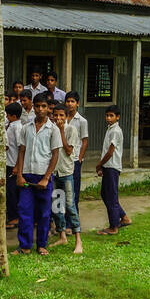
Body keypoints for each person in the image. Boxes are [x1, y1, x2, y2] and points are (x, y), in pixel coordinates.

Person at [14, 93, 61, 255]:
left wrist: (47, 178)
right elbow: (21, 151)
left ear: (48, 108)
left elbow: (55, 155)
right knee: (24, 210)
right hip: (27, 175)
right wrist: (19, 175)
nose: (40, 109)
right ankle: (25, 246)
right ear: (33, 107)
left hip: (43, 177)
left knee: (44, 212)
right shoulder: (26, 127)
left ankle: (42, 244)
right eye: (38, 106)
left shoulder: (52, 129)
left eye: (44, 106)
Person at [50, 103, 83, 253]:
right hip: (55, 172)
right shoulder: (50, 129)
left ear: (66, 116)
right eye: (55, 115)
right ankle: (62, 235)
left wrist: (61, 131)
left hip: (67, 172)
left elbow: (69, 150)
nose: (58, 118)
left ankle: (78, 240)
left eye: (61, 115)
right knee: (57, 206)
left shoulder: (71, 130)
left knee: (70, 205)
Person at [94, 104, 129, 234]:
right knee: (105, 194)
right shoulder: (110, 129)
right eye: (107, 115)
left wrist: (100, 164)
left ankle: (113, 226)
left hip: (112, 166)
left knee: (111, 196)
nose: (108, 118)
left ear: (117, 117)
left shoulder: (115, 130)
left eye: (111, 116)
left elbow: (110, 152)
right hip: (108, 166)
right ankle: (124, 217)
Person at [64, 92, 88, 224]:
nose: (70, 104)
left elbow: (84, 140)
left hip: (75, 159)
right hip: (63, 159)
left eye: (72, 101)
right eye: (68, 101)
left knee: (74, 191)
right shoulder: (62, 118)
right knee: (64, 191)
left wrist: (79, 158)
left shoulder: (82, 121)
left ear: (77, 103)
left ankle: (73, 221)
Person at [4, 101, 22, 229]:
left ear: (13, 116)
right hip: (8, 162)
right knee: (9, 191)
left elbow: (21, 147)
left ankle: (15, 217)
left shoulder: (17, 127)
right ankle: (12, 215)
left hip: (13, 163)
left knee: (12, 192)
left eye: (7, 115)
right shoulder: (10, 125)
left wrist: (17, 166)